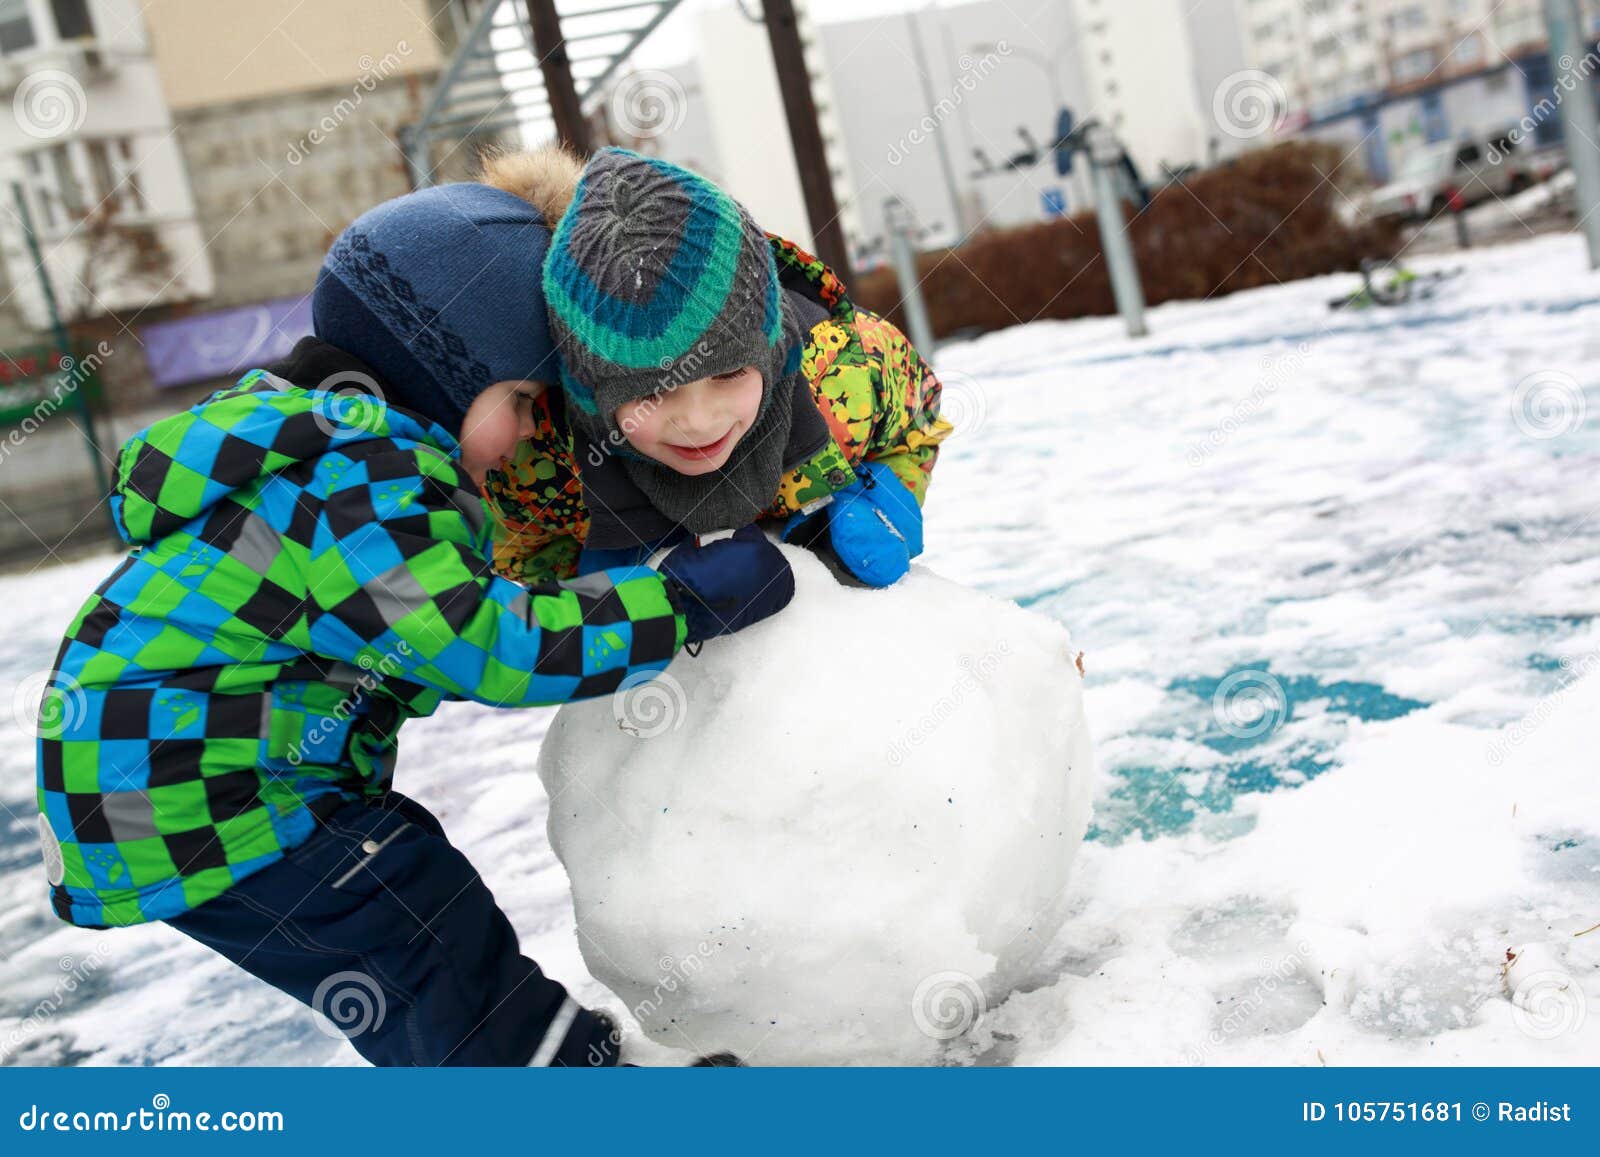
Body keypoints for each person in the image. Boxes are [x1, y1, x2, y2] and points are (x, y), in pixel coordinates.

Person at [33, 180, 792, 1067]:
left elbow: (422, 626)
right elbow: (477, 643)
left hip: (175, 778)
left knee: (411, 907)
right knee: (417, 941)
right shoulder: (354, 481)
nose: (527, 432)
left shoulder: (318, 453)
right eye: (522, 399)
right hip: (187, 786)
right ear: (448, 375)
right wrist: (679, 602)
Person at [473, 145, 953, 592]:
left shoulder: (842, 368)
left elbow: (918, 417)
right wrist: (599, 590)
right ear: (586, 396)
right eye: (651, 394)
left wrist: (888, 495)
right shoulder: (544, 460)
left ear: (773, 351)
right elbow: (520, 549)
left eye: (728, 374)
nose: (699, 422)